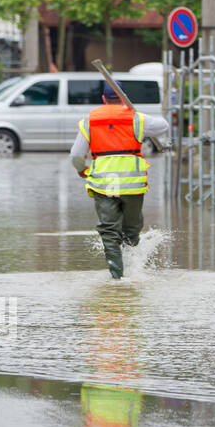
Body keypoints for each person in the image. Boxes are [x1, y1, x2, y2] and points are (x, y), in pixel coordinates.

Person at [70, 82, 170, 280]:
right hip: (132, 185)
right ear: (124, 97)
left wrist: (82, 170)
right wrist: (135, 112)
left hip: (103, 184)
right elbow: (163, 125)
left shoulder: (89, 120)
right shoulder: (138, 119)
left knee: (109, 231)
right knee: (132, 229)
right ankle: (133, 269)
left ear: (104, 99)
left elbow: (76, 155)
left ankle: (117, 277)